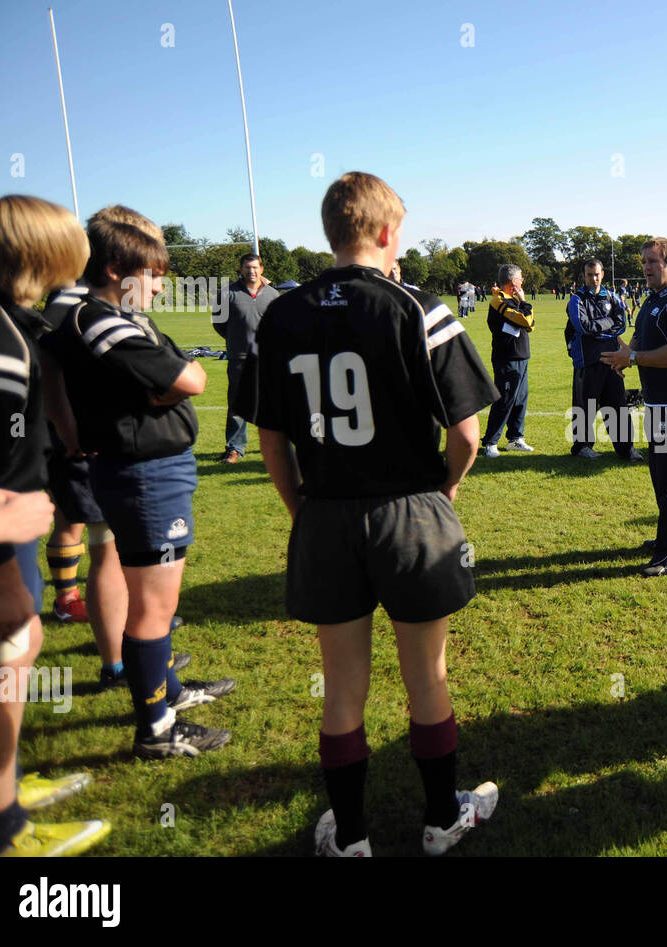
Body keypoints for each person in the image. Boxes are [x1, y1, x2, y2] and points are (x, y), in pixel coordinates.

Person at [255, 172, 500, 856]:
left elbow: (271, 440)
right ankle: (441, 816)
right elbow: (467, 433)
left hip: (327, 515)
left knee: (341, 688)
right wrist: (443, 491)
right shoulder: (417, 306)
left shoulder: (282, 313)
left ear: (332, 232)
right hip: (410, 513)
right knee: (428, 675)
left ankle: (353, 837)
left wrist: (302, 506)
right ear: (388, 232)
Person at [48, 211, 234, 760]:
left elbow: (176, 369)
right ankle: (156, 727)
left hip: (156, 469)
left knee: (158, 596)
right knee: (153, 605)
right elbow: (190, 377)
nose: (159, 285)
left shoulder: (120, 316)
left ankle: (170, 692)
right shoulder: (99, 319)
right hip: (143, 473)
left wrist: (169, 381)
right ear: (115, 269)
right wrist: (173, 382)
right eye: (151, 275)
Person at [0, 195, 111, 856]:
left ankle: (2, 790)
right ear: (38, 257)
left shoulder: (0, 318)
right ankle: (0, 830)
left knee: (8, 668)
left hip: (6, 535)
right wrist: (2, 575)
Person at [601, 238, 667, 577]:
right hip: (658, 403)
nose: (646, 267)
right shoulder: (653, 299)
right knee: (661, 477)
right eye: (644, 261)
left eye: (653, 261)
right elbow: (641, 339)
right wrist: (625, 354)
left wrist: (632, 356)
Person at [567, 260, 641, 461]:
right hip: (588, 360)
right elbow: (582, 327)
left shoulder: (612, 296)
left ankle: (626, 449)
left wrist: (599, 328)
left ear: (603, 274)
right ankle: (582, 447)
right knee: (585, 406)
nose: (594, 278)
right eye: (590, 274)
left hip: (612, 359)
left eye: (597, 274)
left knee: (617, 405)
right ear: (584, 275)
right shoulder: (576, 299)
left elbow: (622, 324)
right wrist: (607, 325)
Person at [212, 253, 279, 464]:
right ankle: (234, 448)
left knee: (271, 403)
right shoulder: (227, 293)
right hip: (239, 357)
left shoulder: (273, 294)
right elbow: (219, 324)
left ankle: (275, 446)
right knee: (238, 404)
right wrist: (236, 340)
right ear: (240, 269)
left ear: (262, 269)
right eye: (247, 267)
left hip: (267, 358)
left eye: (255, 267)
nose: (252, 271)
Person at [481, 265, 535, 457]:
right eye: (521, 278)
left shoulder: (512, 300)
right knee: (505, 399)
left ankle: (515, 438)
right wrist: (525, 302)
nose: (523, 281)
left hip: (521, 355)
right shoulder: (499, 301)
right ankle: (490, 442)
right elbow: (526, 321)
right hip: (507, 357)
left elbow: (529, 324)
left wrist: (523, 306)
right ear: (513, 282)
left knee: (520, 399)